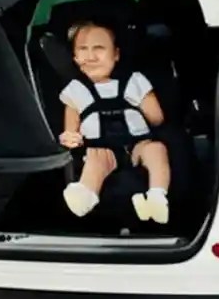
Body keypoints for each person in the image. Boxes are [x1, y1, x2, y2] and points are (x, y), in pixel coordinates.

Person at [57, 20, 170, 224]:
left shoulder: (135, 81)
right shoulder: (75, 90)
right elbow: (70, 129)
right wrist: (69, 137)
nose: (91, 56)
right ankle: (86, 194)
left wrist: (145, 101)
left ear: (116, 54)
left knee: (156, 150)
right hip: (101, 147)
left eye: (99, 48)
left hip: (139, 144)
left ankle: (157, 196)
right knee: (95, 160)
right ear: (75, 57)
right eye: (83, 49)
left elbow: (157, 118)